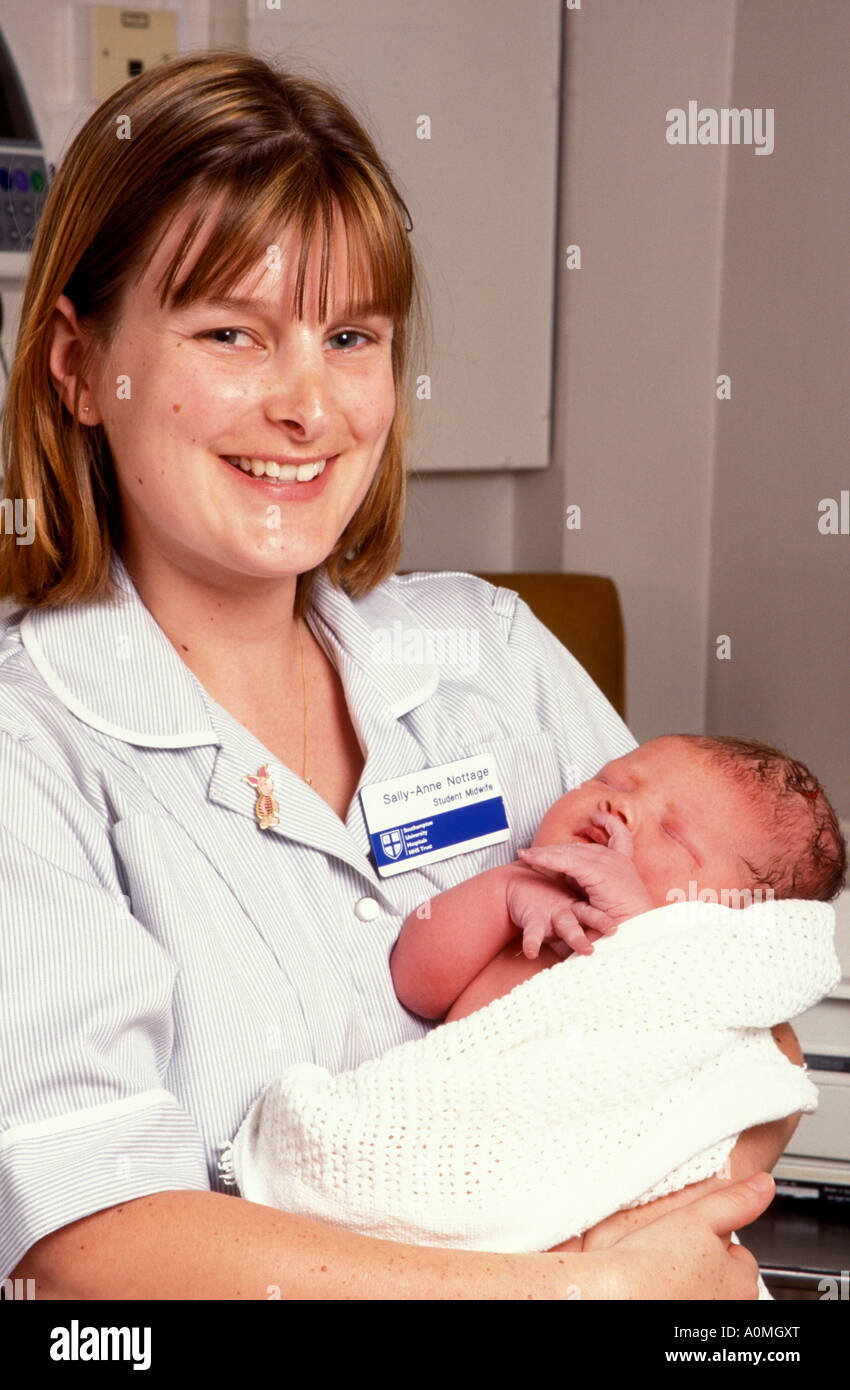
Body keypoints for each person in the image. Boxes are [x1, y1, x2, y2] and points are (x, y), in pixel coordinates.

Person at [0, 49, 801, 1299]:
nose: (310, 406)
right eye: (231, 332)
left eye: (350, 336)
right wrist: (574, 1290)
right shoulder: (29, 749)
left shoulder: (489, 652)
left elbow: (746, 1020)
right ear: (76, 366)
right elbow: (98, 1243)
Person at [229, 734, 844, 1257]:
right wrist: (504, 893)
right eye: (611, 779)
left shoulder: (681, 970)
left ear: (726, 915)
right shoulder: (527, 914)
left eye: (674, 833)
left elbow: (703, 1054)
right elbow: (416, 981)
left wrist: (641, 931)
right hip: (442, 1168)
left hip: (581, 1201)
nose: (619, 806)